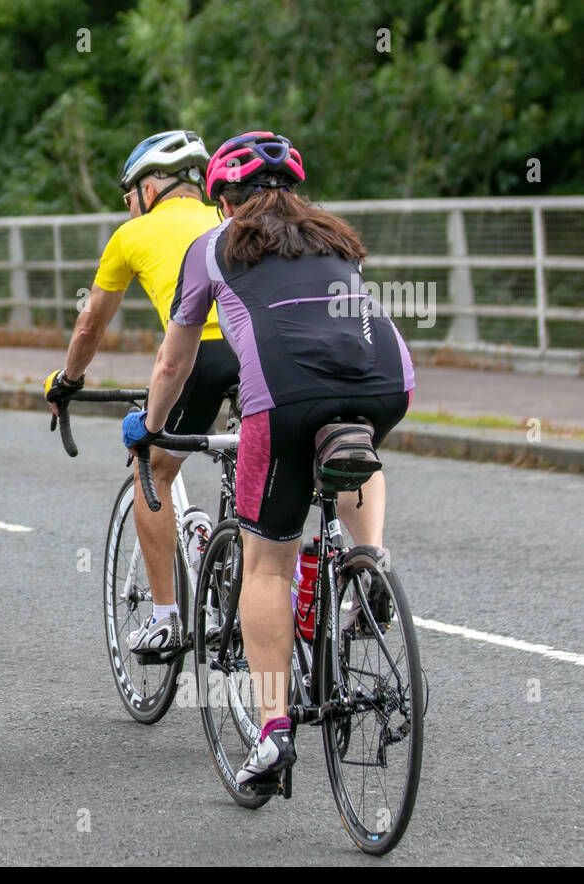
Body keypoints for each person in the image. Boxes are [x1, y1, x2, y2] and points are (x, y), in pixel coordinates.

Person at [125, 131, 414, 784]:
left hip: (282, 398)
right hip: (387, 384)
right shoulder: (336, 237)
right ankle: (367, 565)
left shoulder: (212, 248)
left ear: (222, 198)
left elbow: (176, 359)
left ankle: (275, 729)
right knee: (352, 446)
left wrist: (152, 425)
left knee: (266, 566)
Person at [45, 130, 238, 653]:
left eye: (129, 193)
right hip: (259, 353)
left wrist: (68, 380)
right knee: (249, 461)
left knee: (151, 466)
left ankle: (166, 616)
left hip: (200, 356)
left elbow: (90, 327)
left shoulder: (133, 236)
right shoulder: (228, 216)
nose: (129, 205)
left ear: (151, 187)